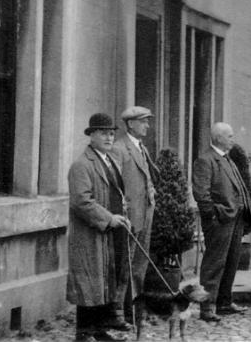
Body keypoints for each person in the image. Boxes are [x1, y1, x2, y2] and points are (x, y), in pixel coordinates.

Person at [67, 113, 131, 342]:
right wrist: (108, 218)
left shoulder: (109, 161)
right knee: (90, 282)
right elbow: (81, 201)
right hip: (90, 234)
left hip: (110, 232)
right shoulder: (82, 165)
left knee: (105, 281)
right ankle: (83, 333)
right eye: (103, 133)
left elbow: (116, 192)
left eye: (112, 133)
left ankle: (99, 329)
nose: (109, 137)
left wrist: (122, 215)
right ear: (91, 135)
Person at [192, 122, 251, 322]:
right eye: (230, 136)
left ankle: (224, 302)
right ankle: (207, 307)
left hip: (235, 219)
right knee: (214, 264)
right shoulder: (206, 160)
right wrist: (213, 215)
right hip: (220, 219)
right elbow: (201, 192)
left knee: (231, 261)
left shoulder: (226, 159)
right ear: (218, 138)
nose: (233, 140)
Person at [111, 106, 158, 325]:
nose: (147, 125)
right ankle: (118, 311)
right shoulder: (119, 149)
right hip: (129, 216)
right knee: (124, 266)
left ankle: (134, 310)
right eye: (143, 121)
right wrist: (123, 211)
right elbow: (114, 186)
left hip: (145, 214)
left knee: (139, 265)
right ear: (130, 124)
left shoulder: (141, 148)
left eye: (148, 121)